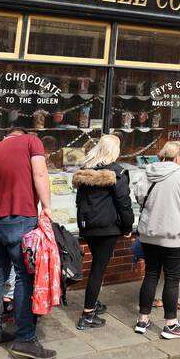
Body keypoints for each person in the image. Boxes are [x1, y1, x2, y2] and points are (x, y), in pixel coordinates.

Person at [0, 128, 56, 359]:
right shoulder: (31, 141)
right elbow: (40, 174)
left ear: (5, 138)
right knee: (24, 276)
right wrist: (47, 207)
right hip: (19, 218)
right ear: (21, 135)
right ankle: (25, 338)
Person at [132, 140, 180, 340]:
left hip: (149, 233)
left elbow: (138, 196)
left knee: (151, 275)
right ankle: (170, 325)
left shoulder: (147, 172)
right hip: (173, 235)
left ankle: (142, 320)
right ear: (178, 156)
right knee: (172, 279)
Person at [71, 134, 134, 330]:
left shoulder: (85, 171)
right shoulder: (117, 172)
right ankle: (87, 314)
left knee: (97, 266)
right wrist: (127, 226)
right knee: (98, 269)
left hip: (89, 226)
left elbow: (79, 201)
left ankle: (93, 302)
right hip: (107, 228)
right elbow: (124, 204)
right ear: (114, 150)